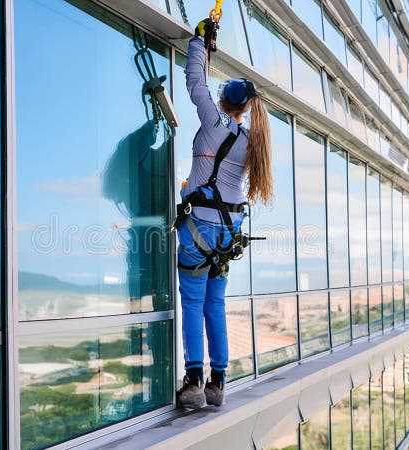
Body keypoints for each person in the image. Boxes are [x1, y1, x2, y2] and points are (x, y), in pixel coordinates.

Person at [175, 18, 273, 409]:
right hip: (228, 235)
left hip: (199, 228)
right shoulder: (252, 141)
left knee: (192, 301)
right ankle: (217, 384)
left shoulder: (214, 122)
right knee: (214, 304)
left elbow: (194, 83)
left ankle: (194, 381)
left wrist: (200, 42)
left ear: (224, 103)